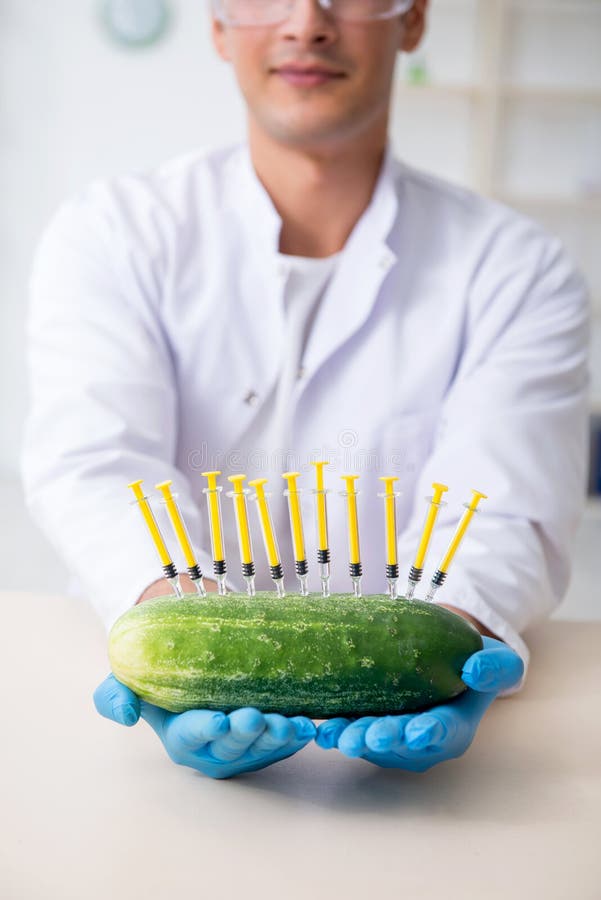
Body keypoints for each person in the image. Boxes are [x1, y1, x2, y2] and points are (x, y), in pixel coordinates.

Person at [21, 0, 589, 779]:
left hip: (403, 735)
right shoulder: (112, 232)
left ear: (413, 19)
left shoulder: (515, 269)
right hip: (133, 766)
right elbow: (93, 460)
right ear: (219, 27)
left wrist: (453, 635)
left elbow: (504, 505)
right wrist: (167, 623)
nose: (306, 22)